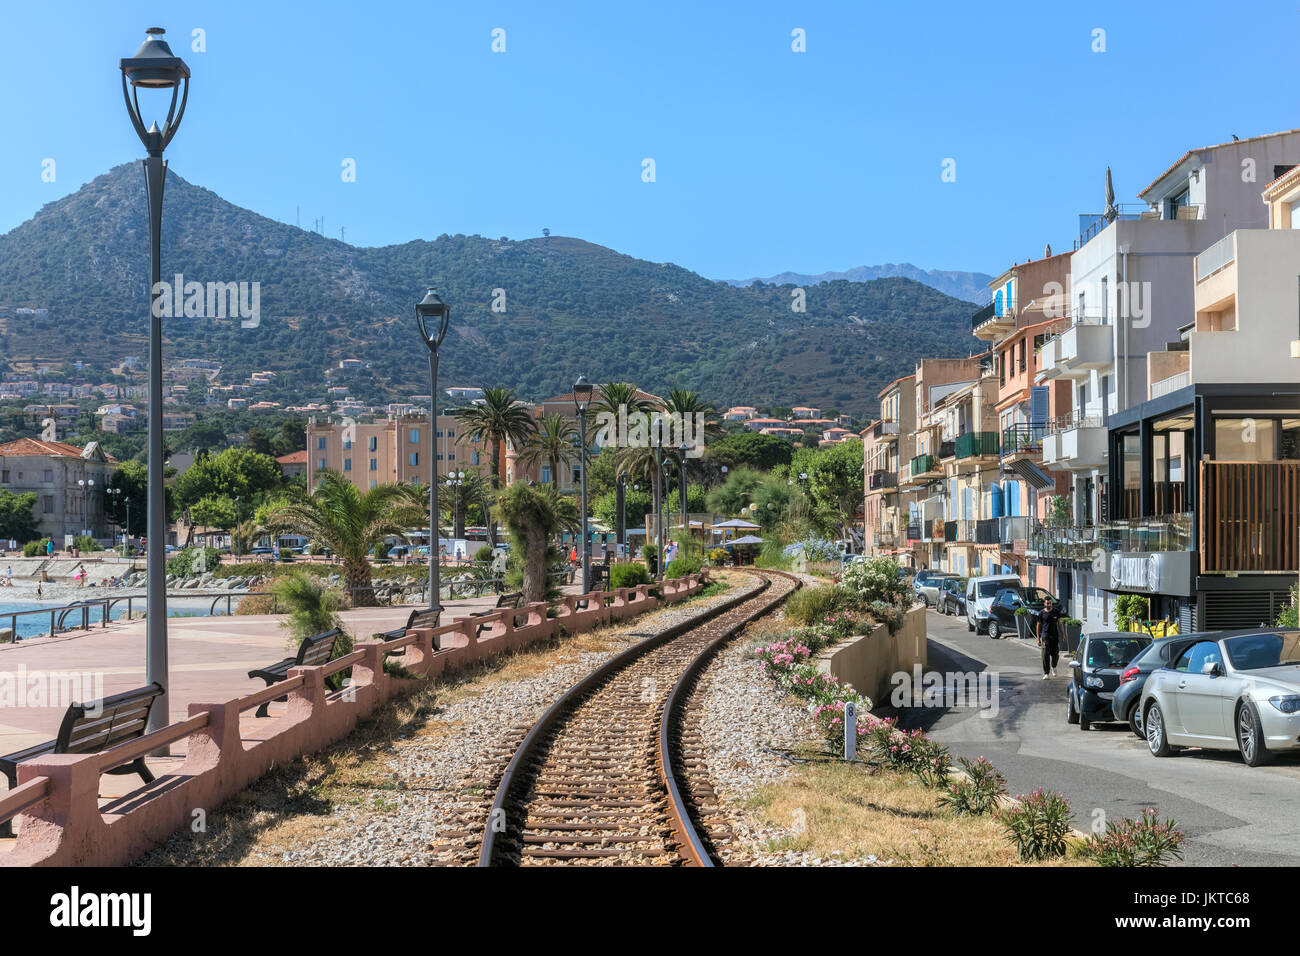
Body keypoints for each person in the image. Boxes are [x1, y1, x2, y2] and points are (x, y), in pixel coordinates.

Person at [1036, 595, 1064, 679]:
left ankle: (1054, 667)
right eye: (1047, 603)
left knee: (1055, 654)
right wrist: (1038, 638)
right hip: (1045, 636)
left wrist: (1063, 634)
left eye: (1050, 603)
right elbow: (1038, 626)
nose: (1049, 605)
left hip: (1055, 636)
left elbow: (1060, 623)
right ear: (1044, 603)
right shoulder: (1041, 613)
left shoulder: (1056, 611)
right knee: (1045, 654)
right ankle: (1046, 673)